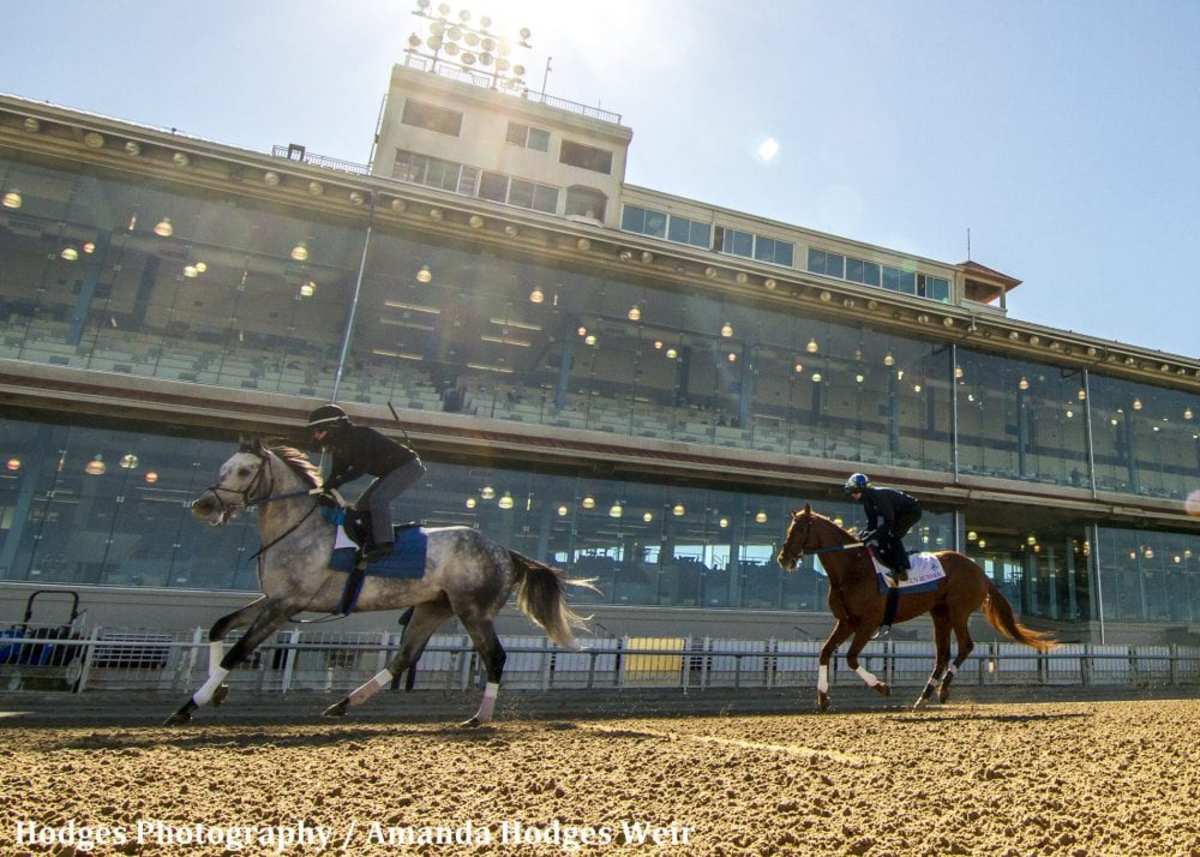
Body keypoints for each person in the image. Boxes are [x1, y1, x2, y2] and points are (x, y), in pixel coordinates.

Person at [306, 404, 425, 562]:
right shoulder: (339, 446)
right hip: (390, 472)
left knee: (378, 500)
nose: (316, 436)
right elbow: (336, 473)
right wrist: (326, 490)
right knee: (361, 506)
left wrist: (336, 483)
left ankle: (385, 544)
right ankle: (369, 543)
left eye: (319, 431)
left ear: (333, 426)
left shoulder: (360, 436)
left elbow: (361, 467)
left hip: (408, 466)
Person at [842, 473, 921, 581]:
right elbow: (871, 525)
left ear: (864, 490)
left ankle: (902, 570)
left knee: (892, 536)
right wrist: (861, 536)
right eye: (851, 491)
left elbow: (889, 522)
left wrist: (870, 537)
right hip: (897, 513)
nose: (853, 495)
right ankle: (891, 563)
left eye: (855, 491)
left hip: (911, 511)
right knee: (882, 537)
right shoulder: (867, 502)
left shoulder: (879, 496)